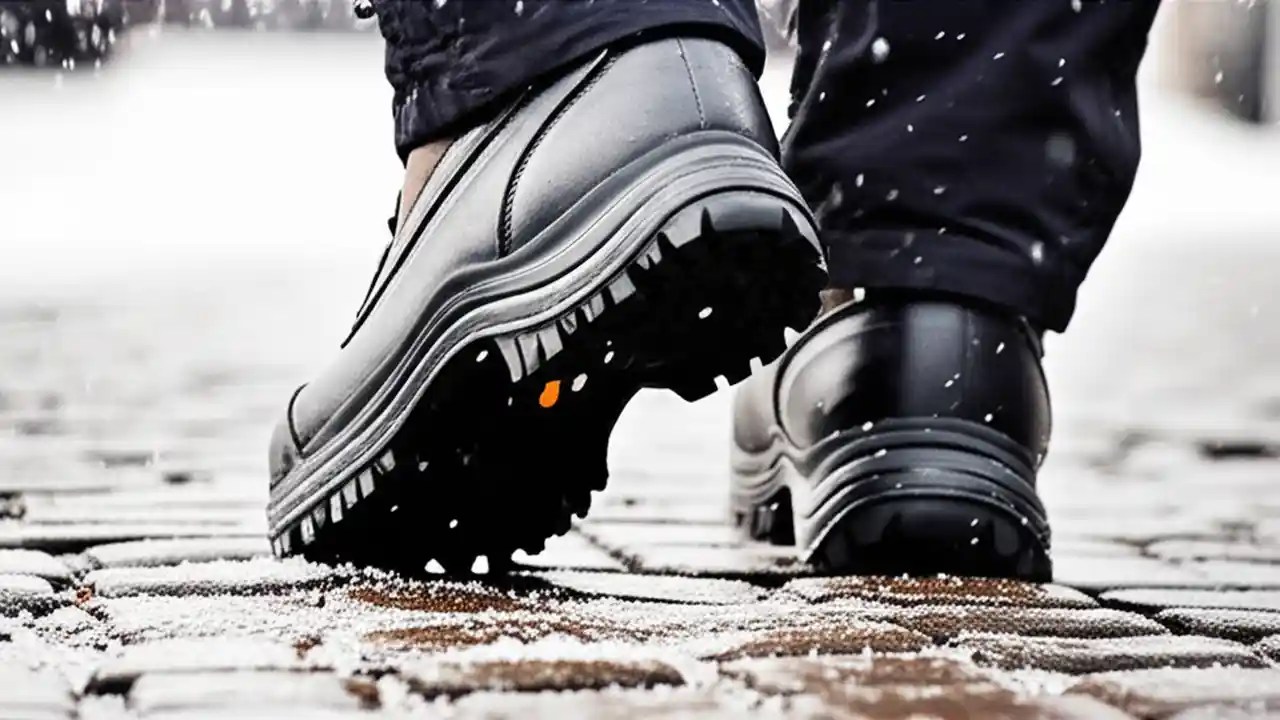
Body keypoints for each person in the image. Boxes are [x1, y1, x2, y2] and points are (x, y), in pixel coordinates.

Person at [266, 0, 1161, 581]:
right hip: (990, 261)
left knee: (574, 26)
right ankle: (923, 308)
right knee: (937, 197)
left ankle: (561, 60)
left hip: (538, 70)